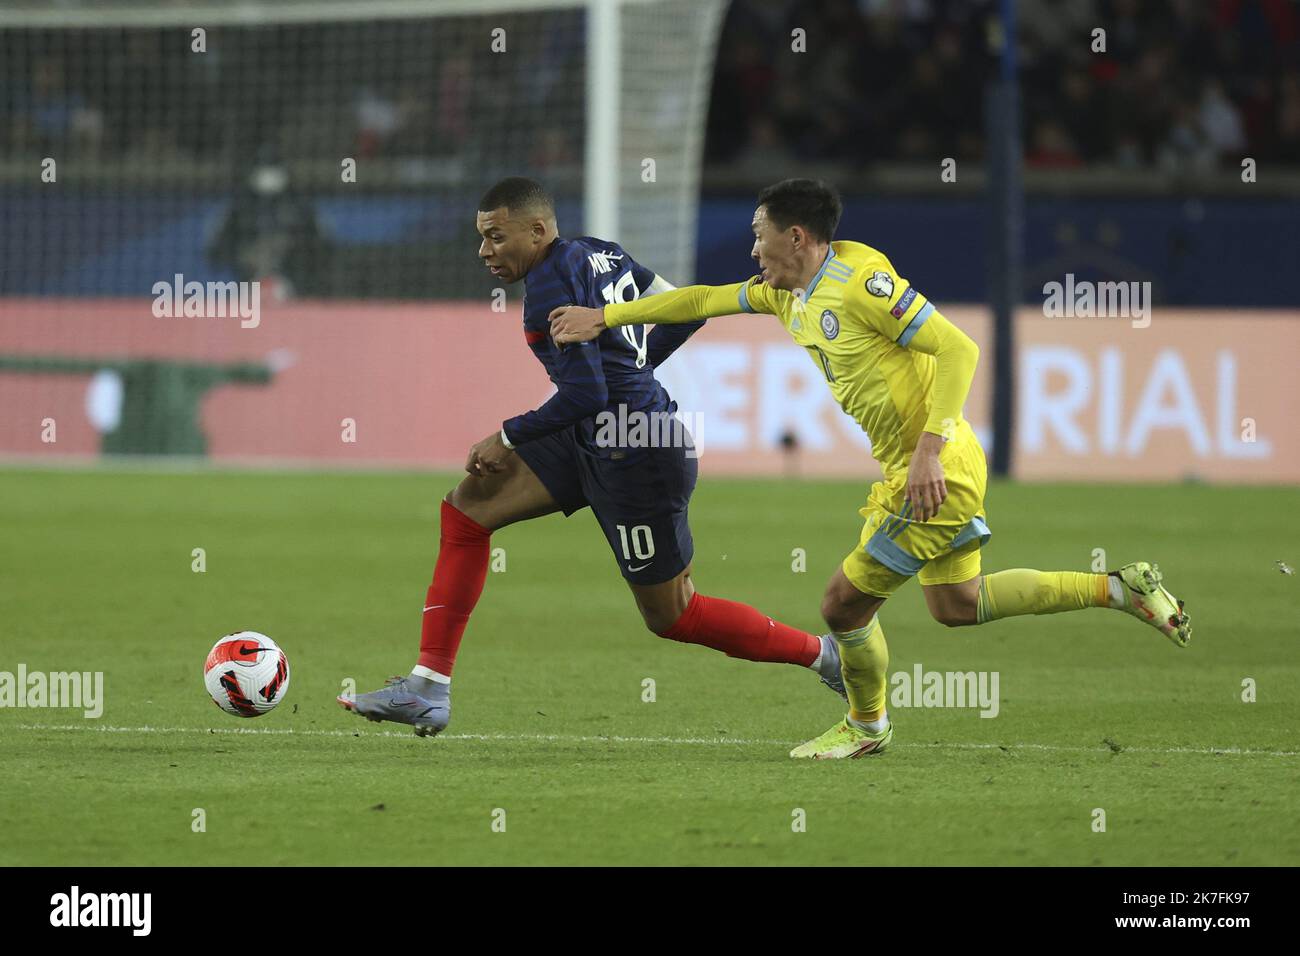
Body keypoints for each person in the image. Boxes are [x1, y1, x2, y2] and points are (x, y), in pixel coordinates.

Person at [550, 178, 1191, 760]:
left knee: (842, 605)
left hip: (936, 471)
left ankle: (867, 725)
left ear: (794, 237)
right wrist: (606, 317)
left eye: (758, 235)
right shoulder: (785, 293)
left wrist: (928, 452)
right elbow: (702, 299)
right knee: (957, 605)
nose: (752, 251)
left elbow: (958, 347)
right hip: (920, 468)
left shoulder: (860, 285)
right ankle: (1119, 588)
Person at [338, 177, 849, 737]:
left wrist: (506, 436)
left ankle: (825, 656)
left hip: (639, 452)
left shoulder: (552, 283)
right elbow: (683, 311)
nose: (485, 251)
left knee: (674, 614)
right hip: (596, 433)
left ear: (537, 230)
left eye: (495, 237)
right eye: (481, 238)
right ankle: (428, 687)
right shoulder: (605, 253)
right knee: (467, 510)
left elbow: (588, 393)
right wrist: (633, 374)